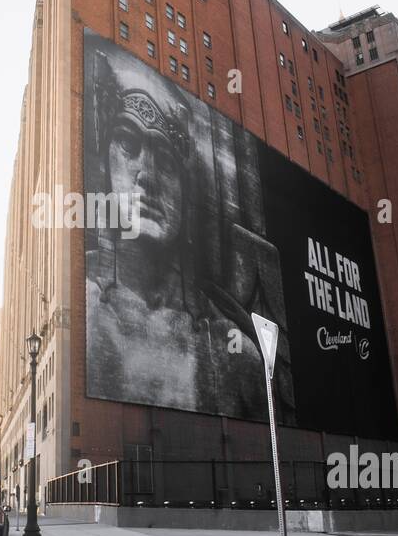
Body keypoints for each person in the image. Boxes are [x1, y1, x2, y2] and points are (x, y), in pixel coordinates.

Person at [86, 47, 270, 420]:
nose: (148, 175)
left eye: (166, 160)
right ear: (105, 163)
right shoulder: (80, 311)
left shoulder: (232, 350)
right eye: (128, 143)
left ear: (187, 195)